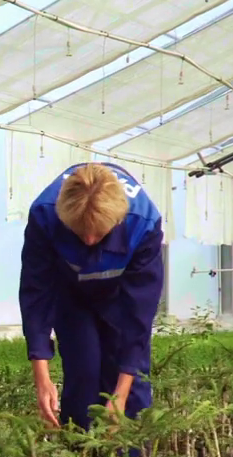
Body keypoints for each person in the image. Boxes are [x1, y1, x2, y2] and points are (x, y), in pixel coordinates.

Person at [19, 162, 164, 431]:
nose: (88, 240)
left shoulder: (143, 223)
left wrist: (120, 394)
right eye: (79, 231)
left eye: (99, 233)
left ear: (118, 219)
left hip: (121, 297)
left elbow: (139, 316)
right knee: (82, 374)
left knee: (131, 393)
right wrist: (42, 379)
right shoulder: (44, 214)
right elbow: (36, 293)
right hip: (71, 296)